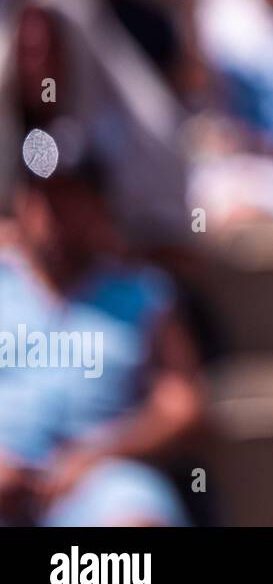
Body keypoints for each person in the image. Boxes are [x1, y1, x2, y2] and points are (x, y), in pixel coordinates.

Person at [0, 143, 203, 526]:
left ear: (99, 208)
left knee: (135, 518)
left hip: (99, 481)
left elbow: (182, 405)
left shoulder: (141, 292)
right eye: (46, 200)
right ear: (24, 203)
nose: (55, 219)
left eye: (71, 203)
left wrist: (99, 456)